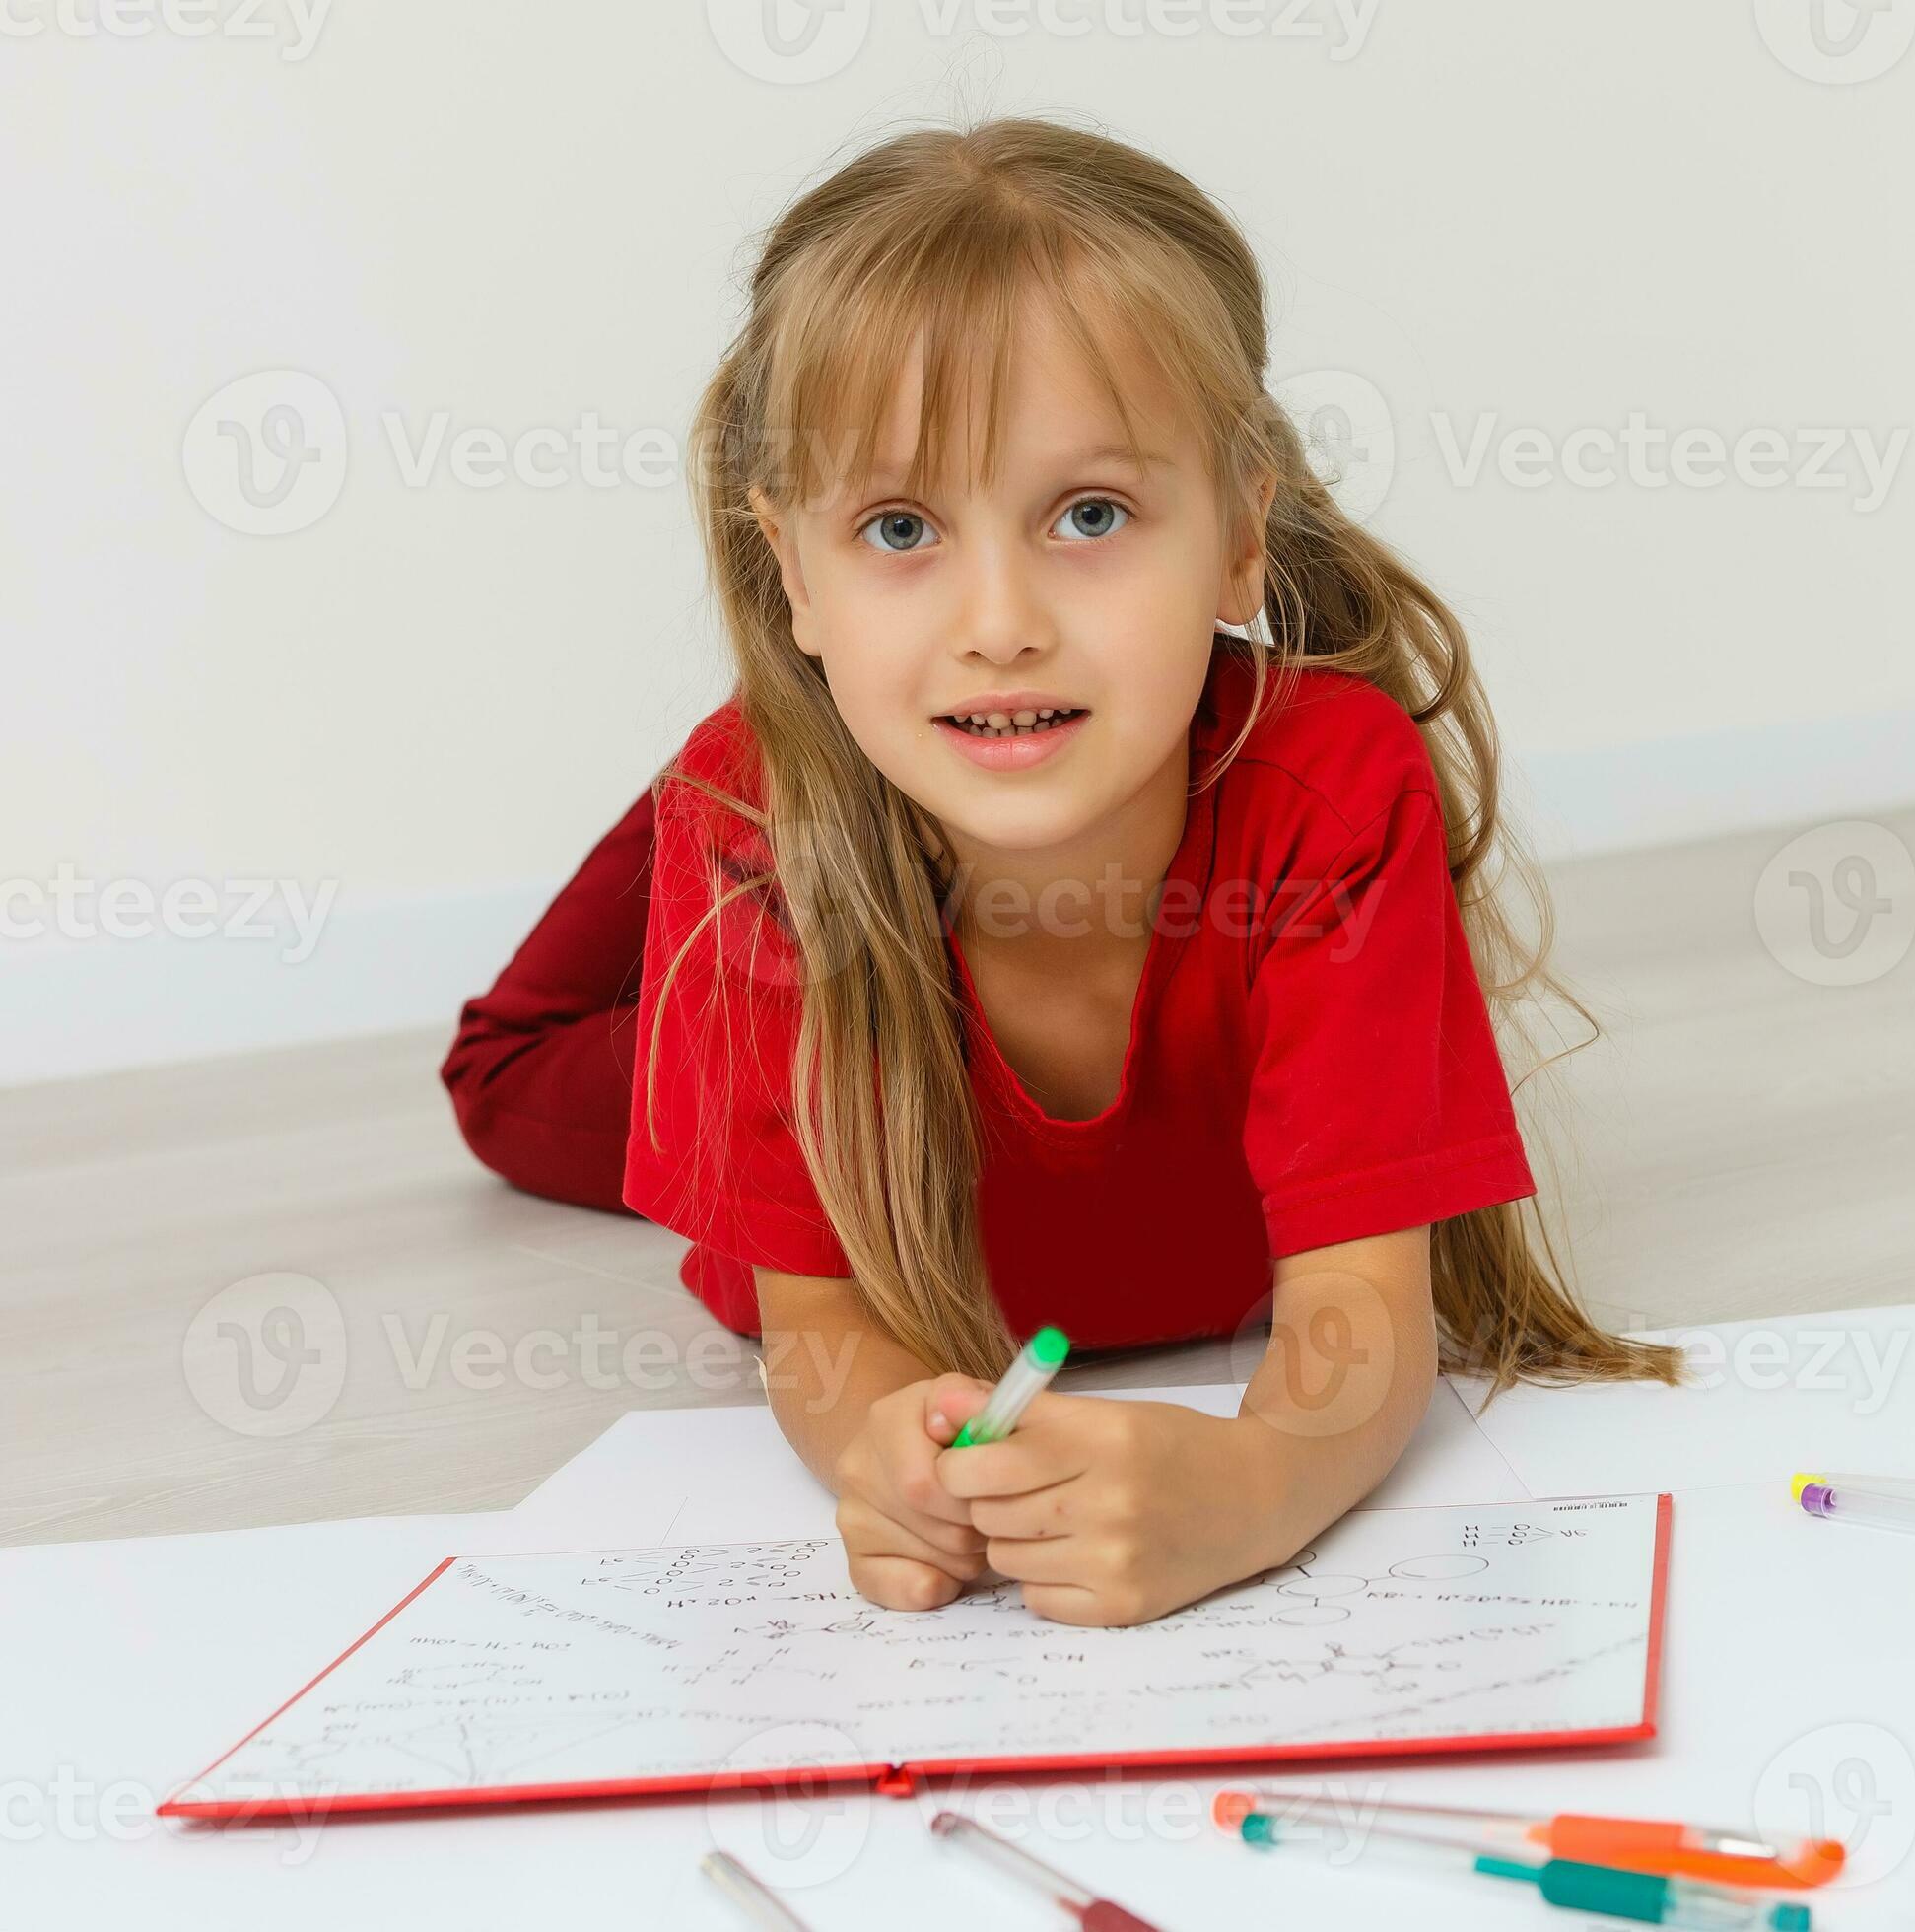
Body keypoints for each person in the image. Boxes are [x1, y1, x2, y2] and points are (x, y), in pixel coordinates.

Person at [440, 118, 1675, 1627]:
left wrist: (1262, 1481)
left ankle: (835, 719)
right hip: (795, 852)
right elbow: (816, 1329)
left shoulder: (1336, 789)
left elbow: (1360, 1315)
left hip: (891, 780)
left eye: (1091, 515)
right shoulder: (764, 830)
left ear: (1240, 536)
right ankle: (785, 748)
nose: (1001, 623)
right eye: (901, 527)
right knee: (520, 1058)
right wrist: (880, 1448)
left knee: (829, 761)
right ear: (792, 571)